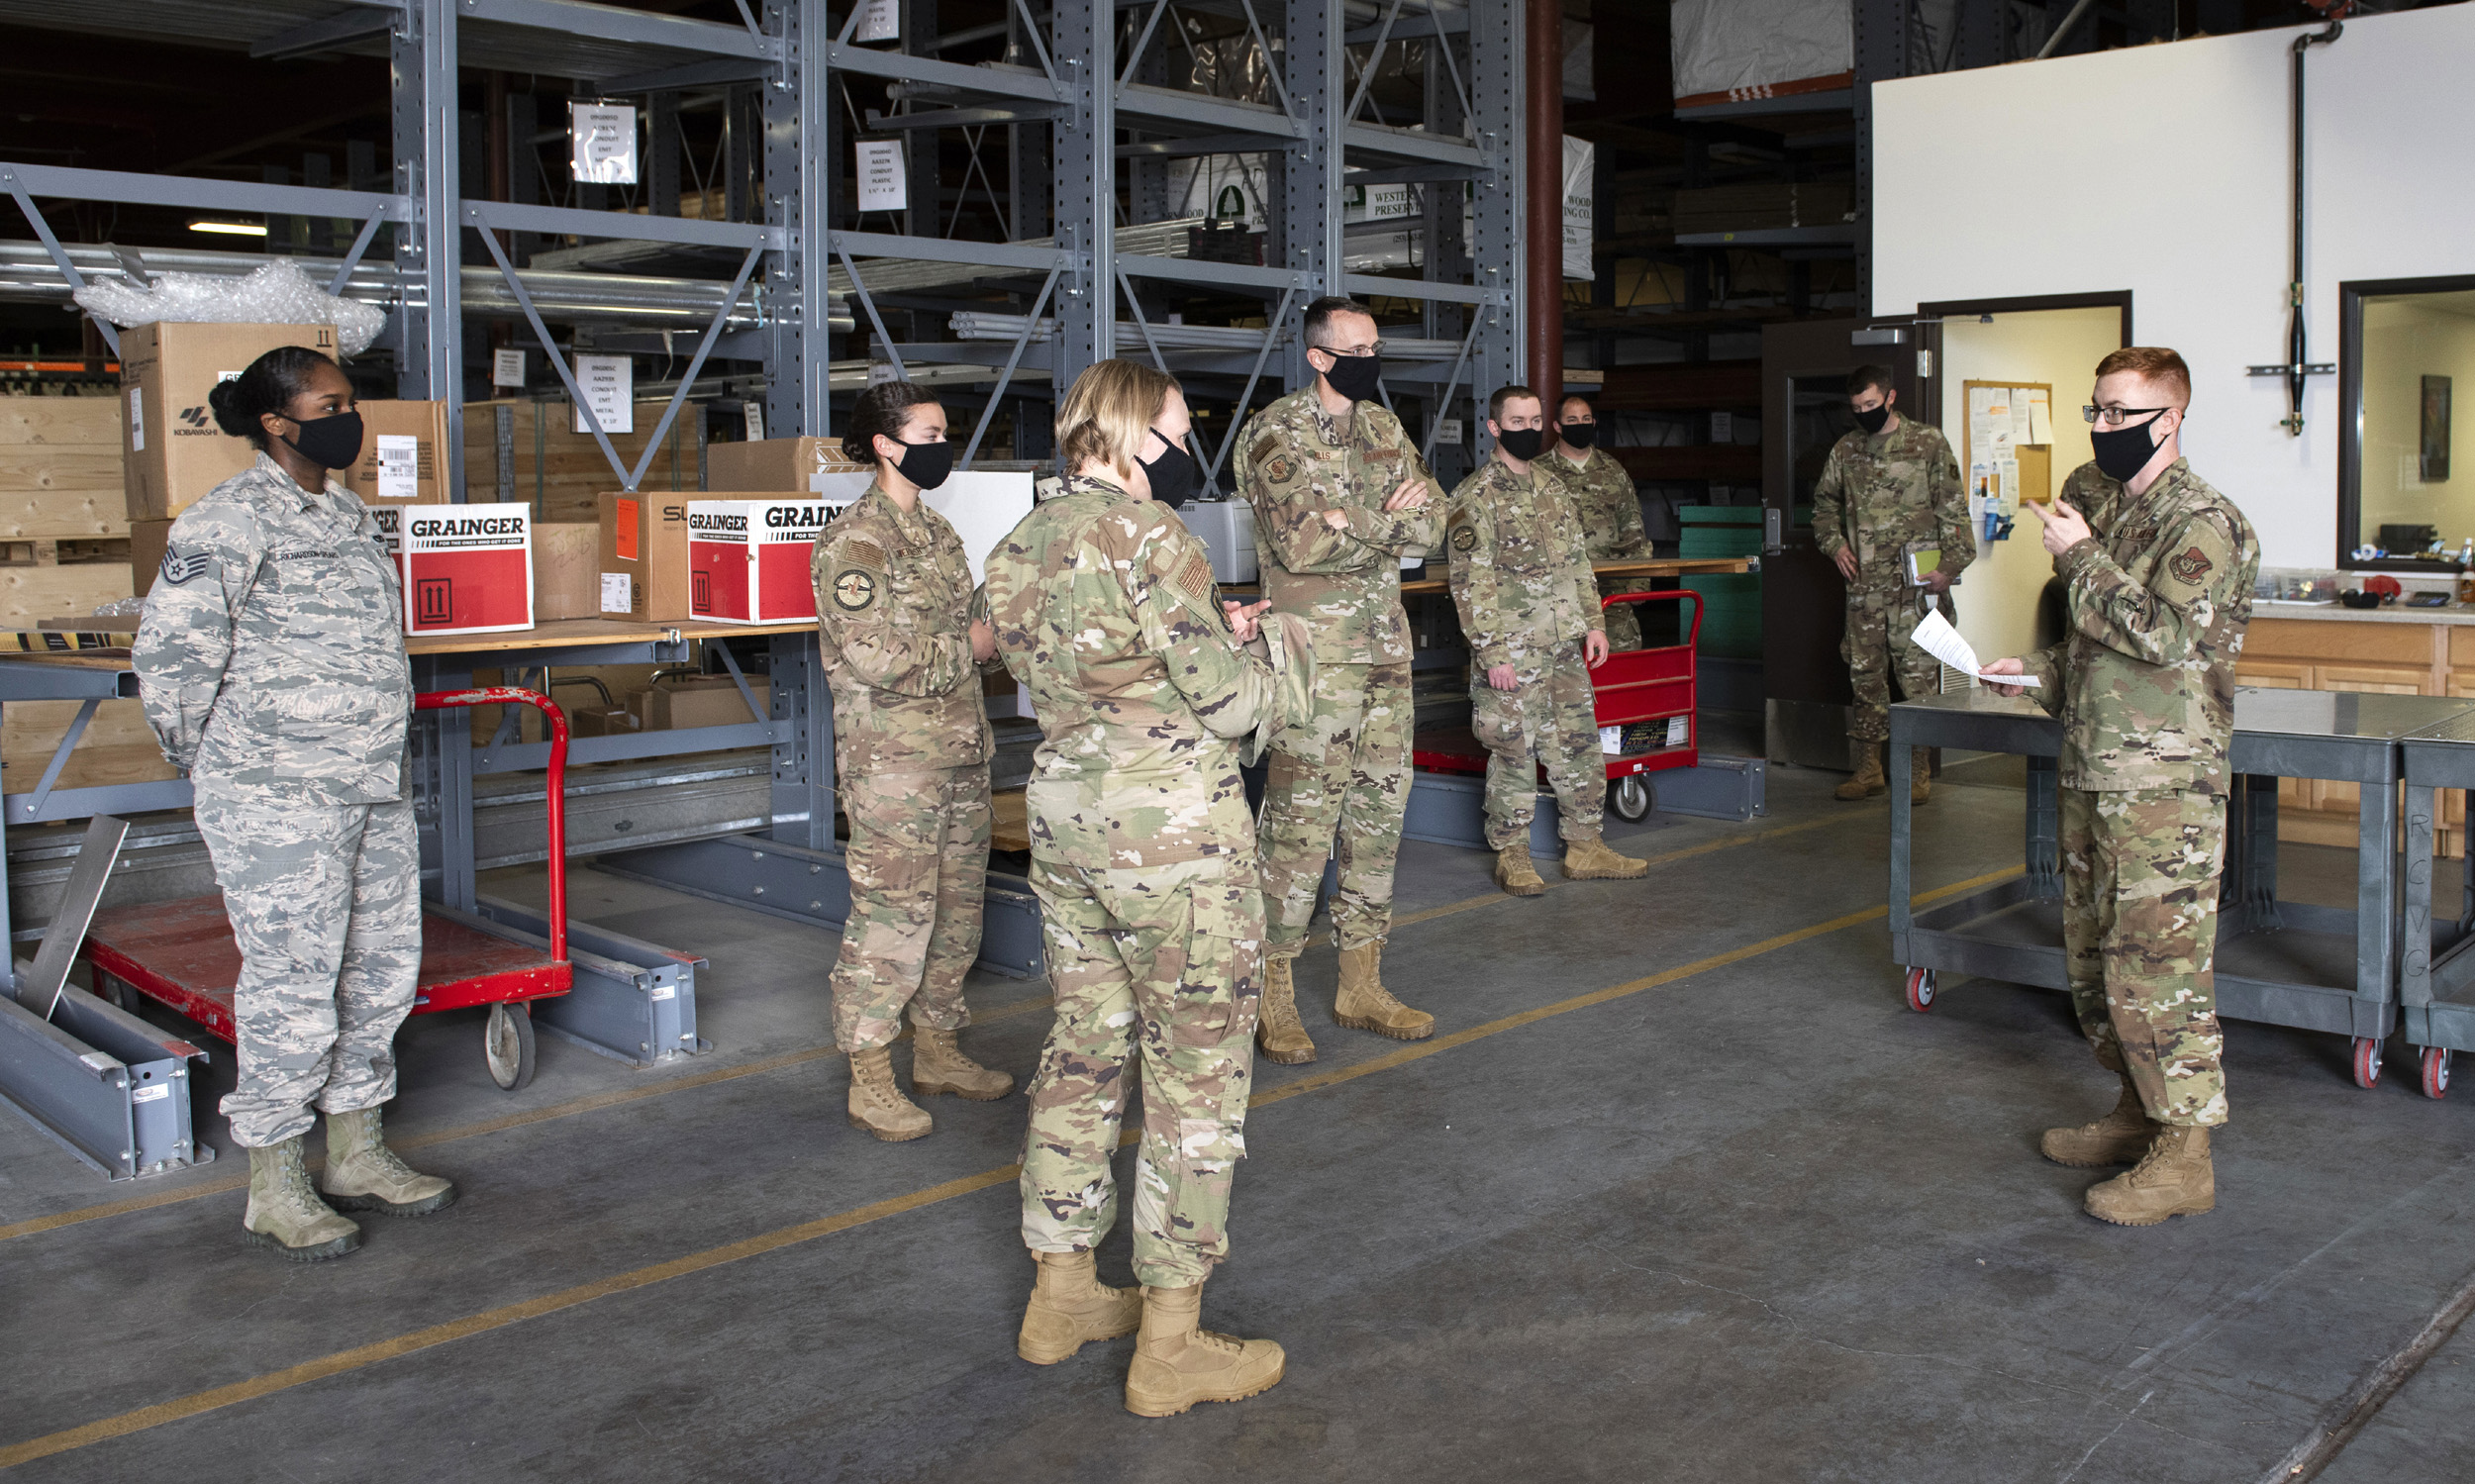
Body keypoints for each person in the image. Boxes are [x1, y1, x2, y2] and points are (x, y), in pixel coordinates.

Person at [984, 358, 1316, 1417]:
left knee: (1083, 1048)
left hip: (1068, 816)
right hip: (1169, 834)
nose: (1183, 449)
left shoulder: (1019, 541)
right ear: (1130, 435)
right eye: (1174, 431)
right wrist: (1267, 659)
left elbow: (1072, 664)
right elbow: (1220, 704)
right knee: (1196, 1074)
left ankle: (1062, 1295)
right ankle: (1170, 1347)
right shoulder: (1152, 537)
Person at [134, 346, 452, 1262]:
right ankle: (274, 1182)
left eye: (349, 401)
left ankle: (358, 1152)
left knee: (379, 966)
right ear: (278, 422)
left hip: (369, 782)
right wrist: (226, 766)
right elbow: (173, 664)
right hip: (277, 798)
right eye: (330, 403)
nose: (348, 417)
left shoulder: (350, 516)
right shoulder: (227, 522)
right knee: (291, 984)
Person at [1983, 346, 2257, 1228]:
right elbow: (2097, 649)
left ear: (2167, 420)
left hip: (2165, 784)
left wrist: (2080, 558)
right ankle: (2140, 1111)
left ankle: (2186, 1156)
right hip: (2097, 762)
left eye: (2118, 415)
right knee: (2097, 955)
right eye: (2096, 410)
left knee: (2160, 968)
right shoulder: (2107, 503)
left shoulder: (2205, 522)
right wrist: (2029, 670)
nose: (2100, 428)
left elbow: (2163, 636)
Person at [1237, 295, 1442, 1066]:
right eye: (1356, 347)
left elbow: (1437, 520)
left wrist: (1358, 520)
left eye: (1377, 344)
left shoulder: (1386, 428)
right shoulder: (1275, 433)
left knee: (1379, 819)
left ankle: (1362, 982)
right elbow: (1303, 544)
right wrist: (1381, 524)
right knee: (1296, 829)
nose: (1371, 357)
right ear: (1319, 356)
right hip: (1314, 661)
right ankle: (1271, 991)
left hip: (1386, 654)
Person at [810, 380, 1012, 1142]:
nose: (941, 445)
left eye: (943, 431)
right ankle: (870, 1074)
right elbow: (877, 656)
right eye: (929, 434)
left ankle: (937, 1049)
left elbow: (970, 627)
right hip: (895, 766)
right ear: (888, 445)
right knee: (893, 919)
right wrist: (975, 646)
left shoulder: (937, 536)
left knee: (958, 914)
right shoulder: (854, 544)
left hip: (959, 752)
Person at [1446, 387, 1648, 896]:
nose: (1529, 429)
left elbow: (1578, 563)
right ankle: (1512, 855)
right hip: (1512, 651)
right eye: (1517, 421)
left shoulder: (1552, 488)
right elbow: (1471, 583)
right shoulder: (1476, 496)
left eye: (1536, 419)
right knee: (1513, 750)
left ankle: (1585, 846)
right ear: (1495, 428)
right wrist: (1492, 654)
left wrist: (1594, 623)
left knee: (1579, 745)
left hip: (1563, 646)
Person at [1810, 364, 1971, 805]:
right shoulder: (1846, 449)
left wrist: (1949, 568)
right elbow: (1823, 506)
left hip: (1915, 590)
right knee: (1865, 678)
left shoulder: (1927, 443)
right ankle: (1868, 770)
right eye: (1857, 407)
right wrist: (1834, 544)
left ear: (1891, 397)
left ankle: (1918, 772)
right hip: (1864, 591)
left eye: (1871, 404)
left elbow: (1953, 509)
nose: (1865, 413)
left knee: (1916, 680)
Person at [1541, 394, 1657, 652]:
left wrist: (1639, 579)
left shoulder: (1611, 469)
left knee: (1621, 660)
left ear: (1593, 422)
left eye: (1585, 419)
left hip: (1611, 587)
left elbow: (1632, 523)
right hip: (1558, 590)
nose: (1580, 424)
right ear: (1557, 427)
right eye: (1572, 420)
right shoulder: (1540, 472)